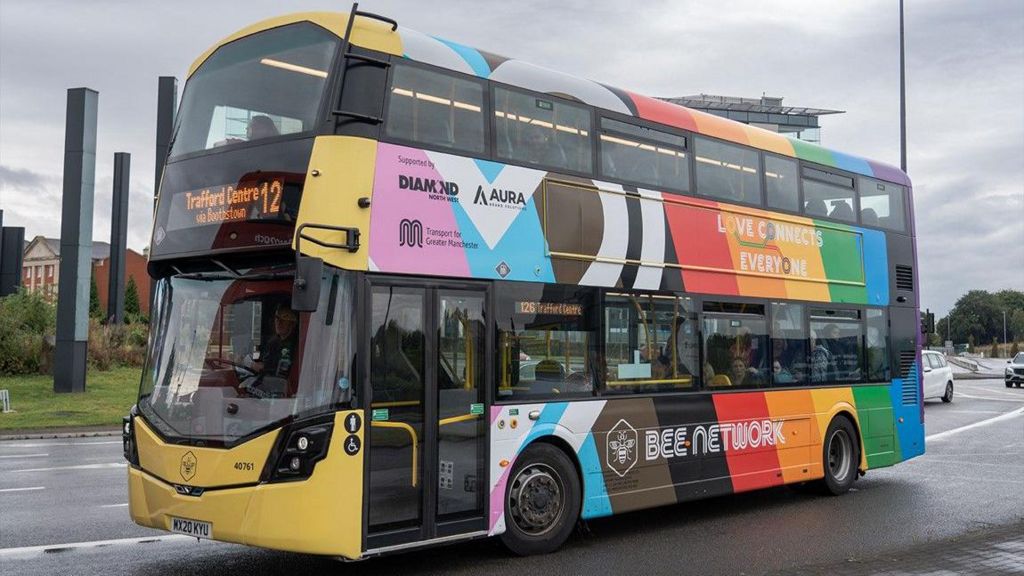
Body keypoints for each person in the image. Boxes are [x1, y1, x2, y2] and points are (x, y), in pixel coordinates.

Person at [255, 305, 299, 377]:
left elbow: (276, 370)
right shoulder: (272, 342)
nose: (279, 322)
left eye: (284, 318)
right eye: (277, 318)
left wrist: (252, 365)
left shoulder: (295, 345)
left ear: (293, 323)